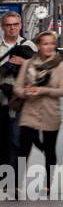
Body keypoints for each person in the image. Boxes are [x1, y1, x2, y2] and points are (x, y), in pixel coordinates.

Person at [11, 31, 63, 188]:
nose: (50, 47)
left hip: (50, 113)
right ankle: (16, 184)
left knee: (49, 149)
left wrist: (42, 90)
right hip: (30, 112)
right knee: (24, 148)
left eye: (52, 43)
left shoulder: (59, 65)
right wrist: (25, 91)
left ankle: (48, 183)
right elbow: (17, 87)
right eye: (45, 43)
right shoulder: (28, 64)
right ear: (38, 46)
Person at [1, 11, 36, 171]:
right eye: (8, 25)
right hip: (1, 99)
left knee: (17, 138)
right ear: (3, 27)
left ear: (21, 26)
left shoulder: (29, 46)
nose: (12, 28)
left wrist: (24, 63)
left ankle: (13, 176)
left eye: (15, 25)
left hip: (22, 101)